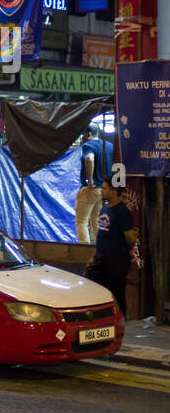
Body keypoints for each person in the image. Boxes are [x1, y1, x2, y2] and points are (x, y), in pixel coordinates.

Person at [87, 176, 135, 314]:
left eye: (105, 188)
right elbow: (101, 235)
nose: (102, 191)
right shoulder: (104, 209)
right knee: (96, 288)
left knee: (116, 292)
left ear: (113, 191)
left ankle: (121, 320)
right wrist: (94, 256)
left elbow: (130, 238)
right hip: (102, 258)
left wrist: (126, 249)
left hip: (117, 259)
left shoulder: (122, 212)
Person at [76, 126, 113, 244]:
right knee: (98, 222)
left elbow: (89, 159)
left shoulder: (89, 146)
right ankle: (100, 251)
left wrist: (90, 181)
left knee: (81, 221)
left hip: (91, 189)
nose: (82, 138)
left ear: (89, 134)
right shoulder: (109, 146)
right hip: (104, 190)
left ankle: (84, 252)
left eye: (83, 135)